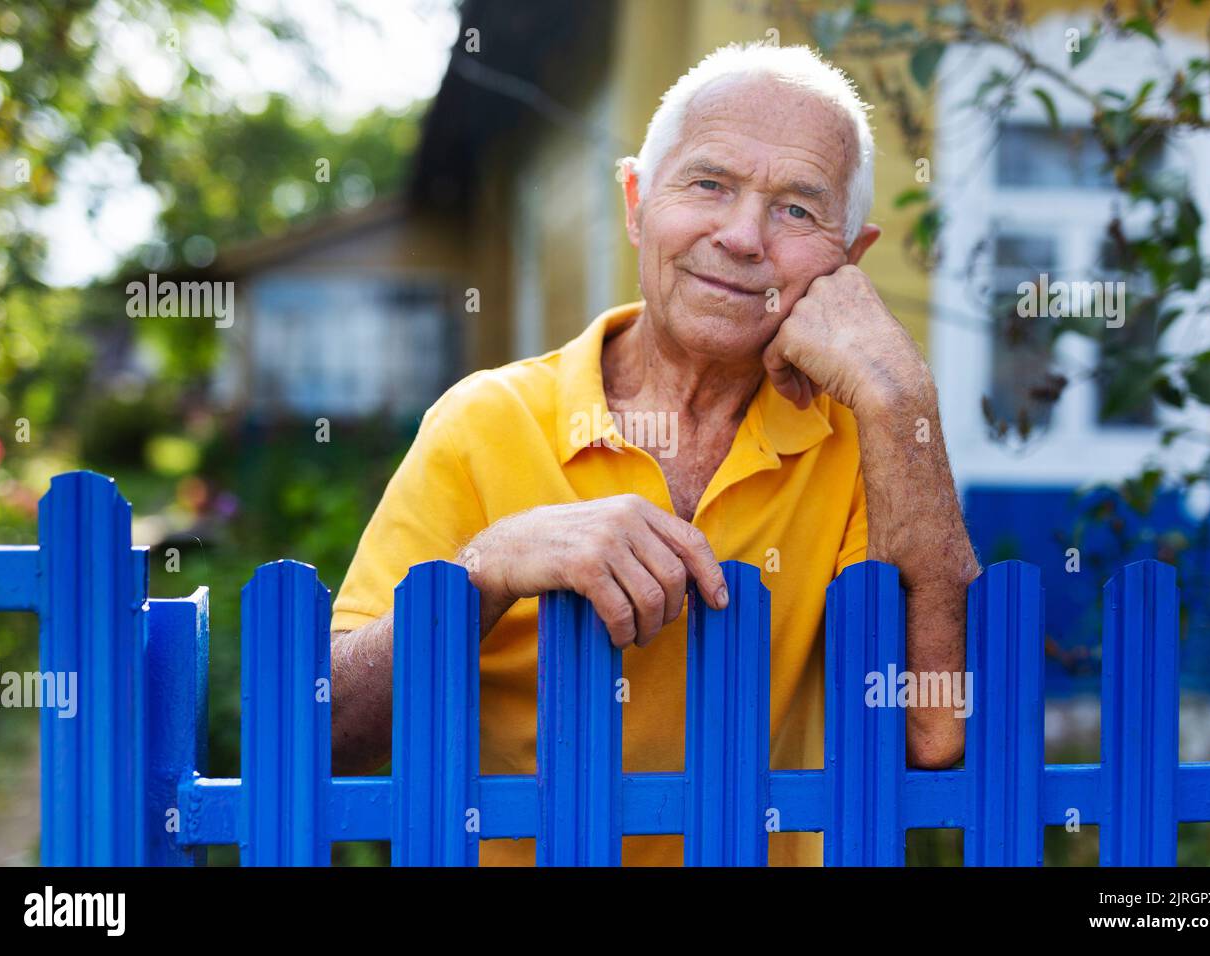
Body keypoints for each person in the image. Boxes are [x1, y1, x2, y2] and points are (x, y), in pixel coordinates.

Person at [329, 41, 980, 866]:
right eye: (709, 184)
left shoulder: (860, 443)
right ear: (637, 201)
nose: (743, 237)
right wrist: (486, 568)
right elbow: (328, 738)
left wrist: (902, 402)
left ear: (848, 261)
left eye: (797, 210)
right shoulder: (483, 422)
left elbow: (933, 731)